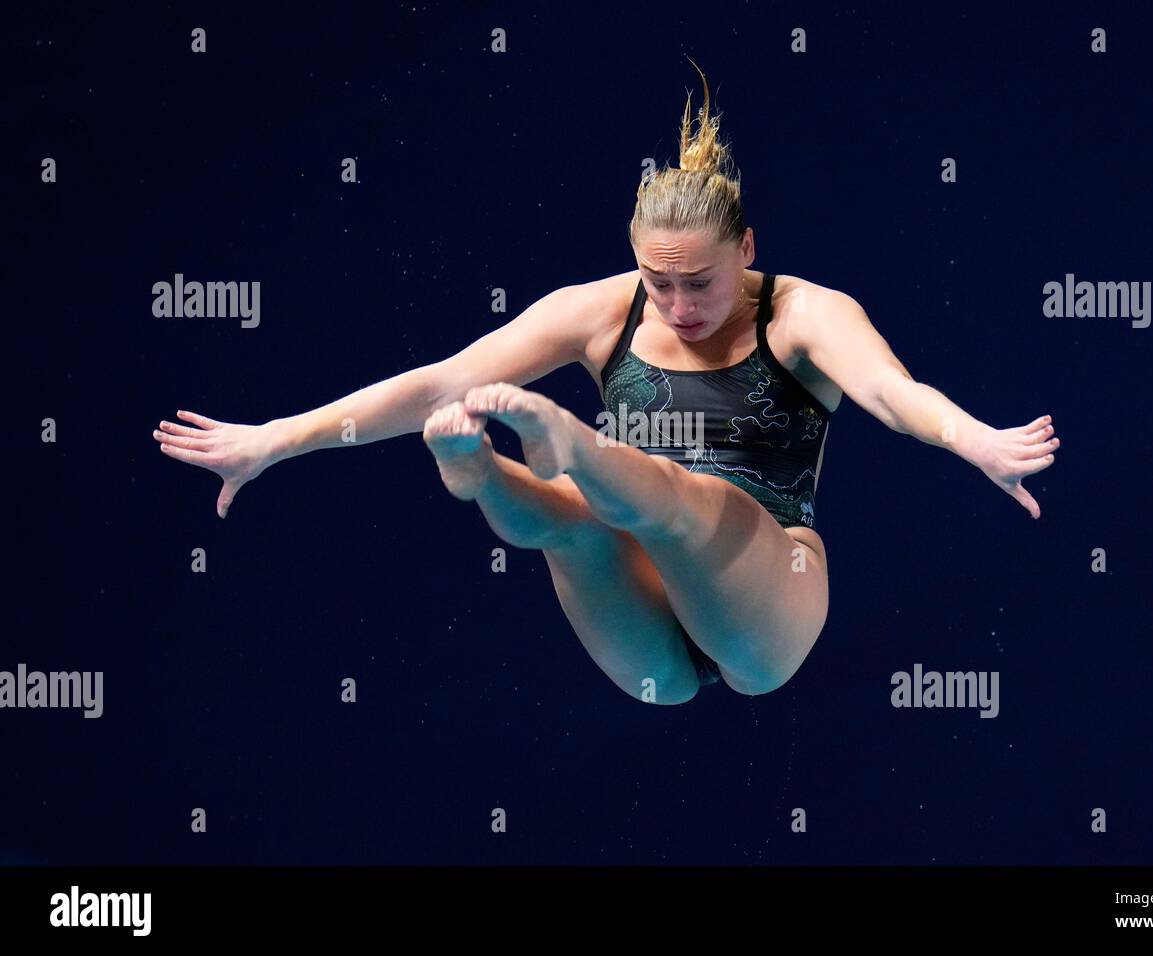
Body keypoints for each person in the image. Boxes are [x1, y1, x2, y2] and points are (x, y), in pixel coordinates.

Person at [153, 63, 1059, 705]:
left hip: (769, 593)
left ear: (746, 250)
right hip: (644, 634)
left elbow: (894, 393)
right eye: (657, 282)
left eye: (698, 282)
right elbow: (438, 379)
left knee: (673, 496)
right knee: (561, 521)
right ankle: (482, 475)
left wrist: (974, 439)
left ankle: (572, 449)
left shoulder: (804, 314)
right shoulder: (599, 311)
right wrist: (277, 439)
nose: (675, 303)